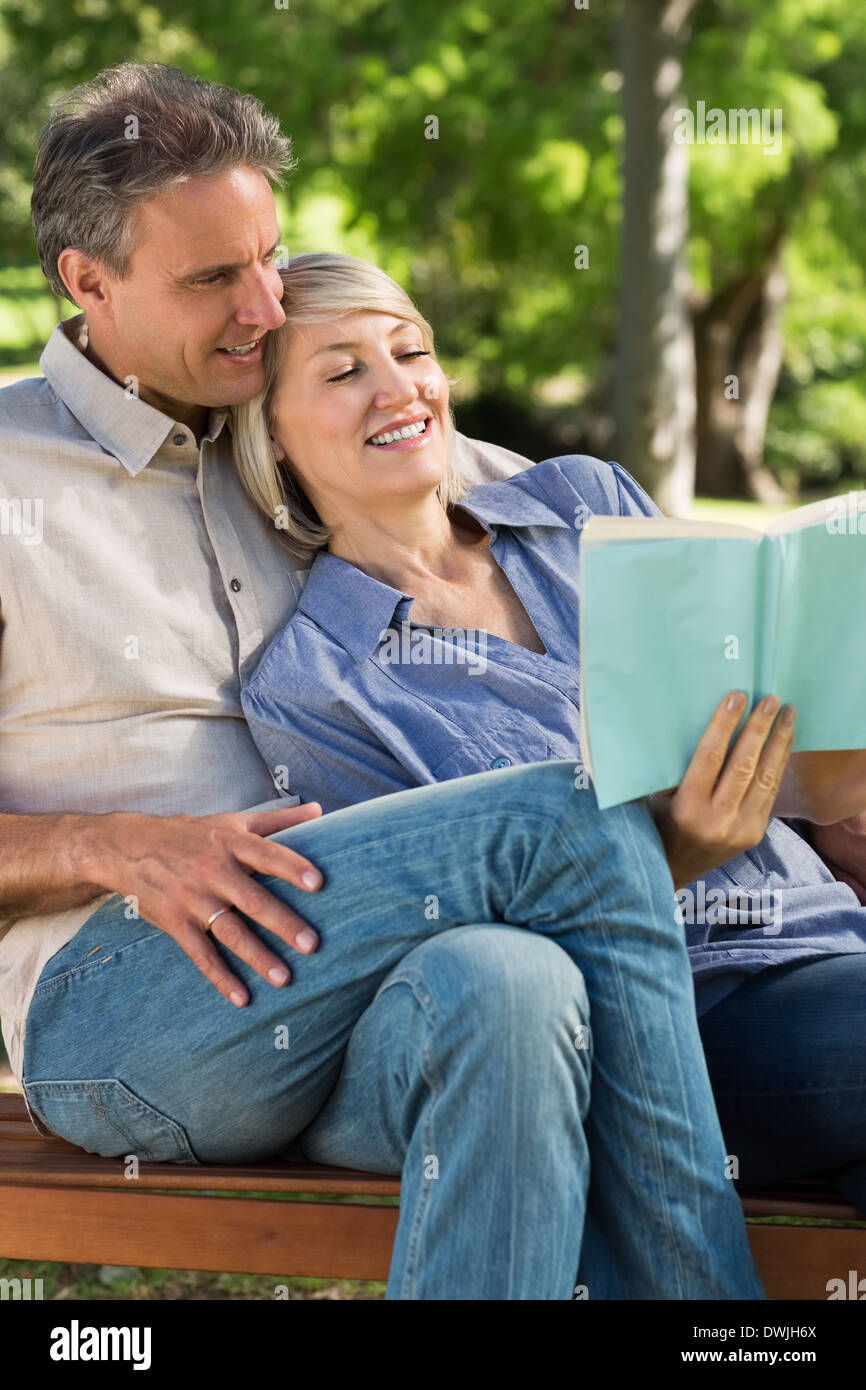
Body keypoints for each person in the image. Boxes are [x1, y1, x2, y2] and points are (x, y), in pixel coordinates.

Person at [0, 61, 765, 1301]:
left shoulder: (316, 427)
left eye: (268, 255)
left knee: (507, 985)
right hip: (135, 1006)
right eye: (211, 279)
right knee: (564, 808)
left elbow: (523, 512)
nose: (263, 307)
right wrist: (111, 843)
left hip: (362, 983)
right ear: (87, 282)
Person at [236, 251, 866, 1217]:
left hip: (832, 935)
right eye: (343, 370)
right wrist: (676, 855)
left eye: (411, 352)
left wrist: (829, 785)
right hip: (672, 1022)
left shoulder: (585, 505)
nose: (398, 389)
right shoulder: (316, 689)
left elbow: (743, 693)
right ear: (271, 436)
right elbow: (460, 950)